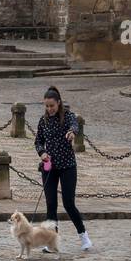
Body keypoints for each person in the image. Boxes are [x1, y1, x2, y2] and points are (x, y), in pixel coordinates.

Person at [34, 86, 91, 251]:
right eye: (46, 106)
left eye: (51, 105)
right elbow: (38, 141)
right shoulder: (43, 121)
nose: (49, 109)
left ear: (58, 103)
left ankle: (84, 237)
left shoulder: (68, 117)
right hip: (49, 167)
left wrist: (72, 132)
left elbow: (75, 125)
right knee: (51, 204)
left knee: (68, 203)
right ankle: (52, 243)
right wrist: (42, 152)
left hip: (67, 166)